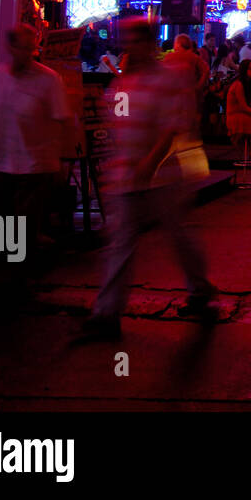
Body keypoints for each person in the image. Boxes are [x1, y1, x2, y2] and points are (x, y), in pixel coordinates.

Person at [83, 18, 216, 338]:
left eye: (135, 40)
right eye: (126, 40)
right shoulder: (124, 82)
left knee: (178, 236)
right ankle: (107, 313)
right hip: (129, 176)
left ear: (150, 44)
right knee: (121, 243)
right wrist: (118, 167)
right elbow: (118, 127)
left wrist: (149, 164)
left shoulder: (168, 79)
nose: (128, 46)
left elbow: (172, 127)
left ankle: (199, 288)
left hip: (164, 177)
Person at [0, 24, 74, 261]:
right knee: (1, 225)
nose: (28, 54)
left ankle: (19, 281)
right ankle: (6, 279)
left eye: (31, 49)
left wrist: (62, 160)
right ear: (10, 47)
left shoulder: (49, 80)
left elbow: (63, 119)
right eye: (23, 48)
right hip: (2, 163)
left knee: (25, 229)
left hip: (35, 165)